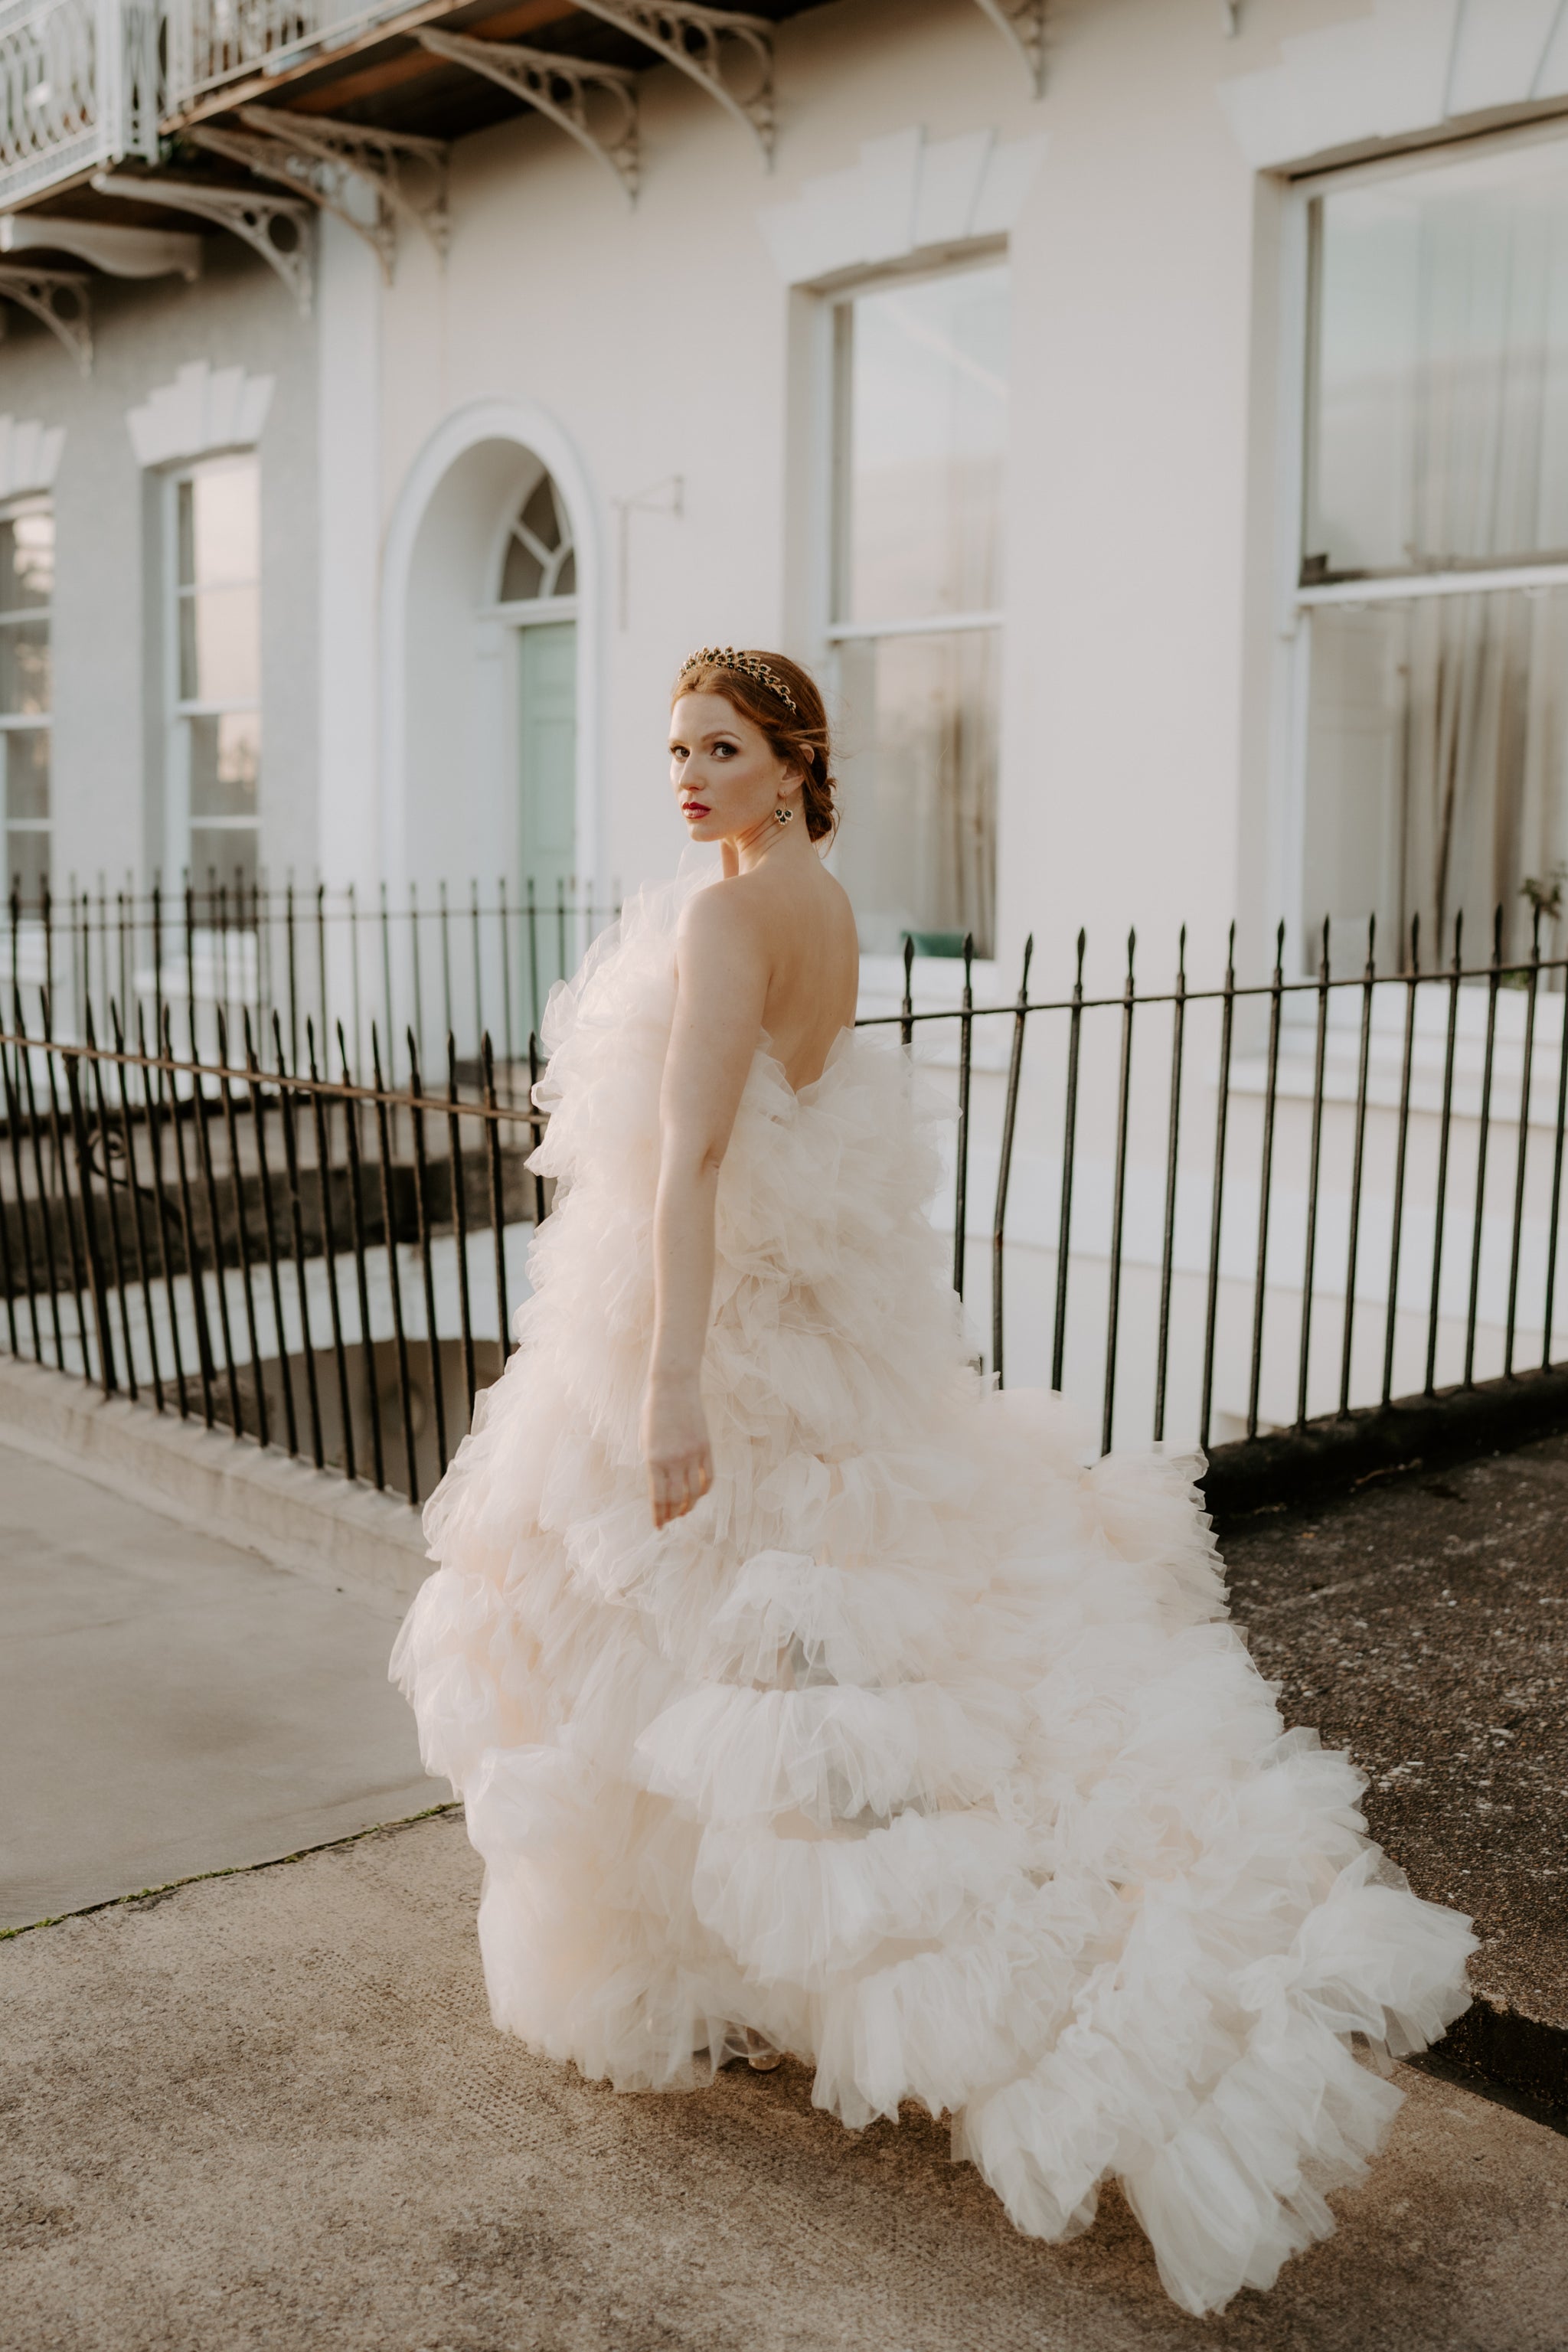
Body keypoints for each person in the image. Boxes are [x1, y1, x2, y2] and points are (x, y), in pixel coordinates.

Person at [392, 646, 1474, 2318]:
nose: (685, 773)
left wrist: (670, 1384)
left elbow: (683, 1166)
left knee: (690, 1650)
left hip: (714, 1351)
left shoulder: (723, 918)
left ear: (792, 758)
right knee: (774, 1670)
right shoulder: (820, 902)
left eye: (722, 747)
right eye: (675, 745)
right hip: (816, 1346)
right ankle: (753, 1956)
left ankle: (959, 1992)